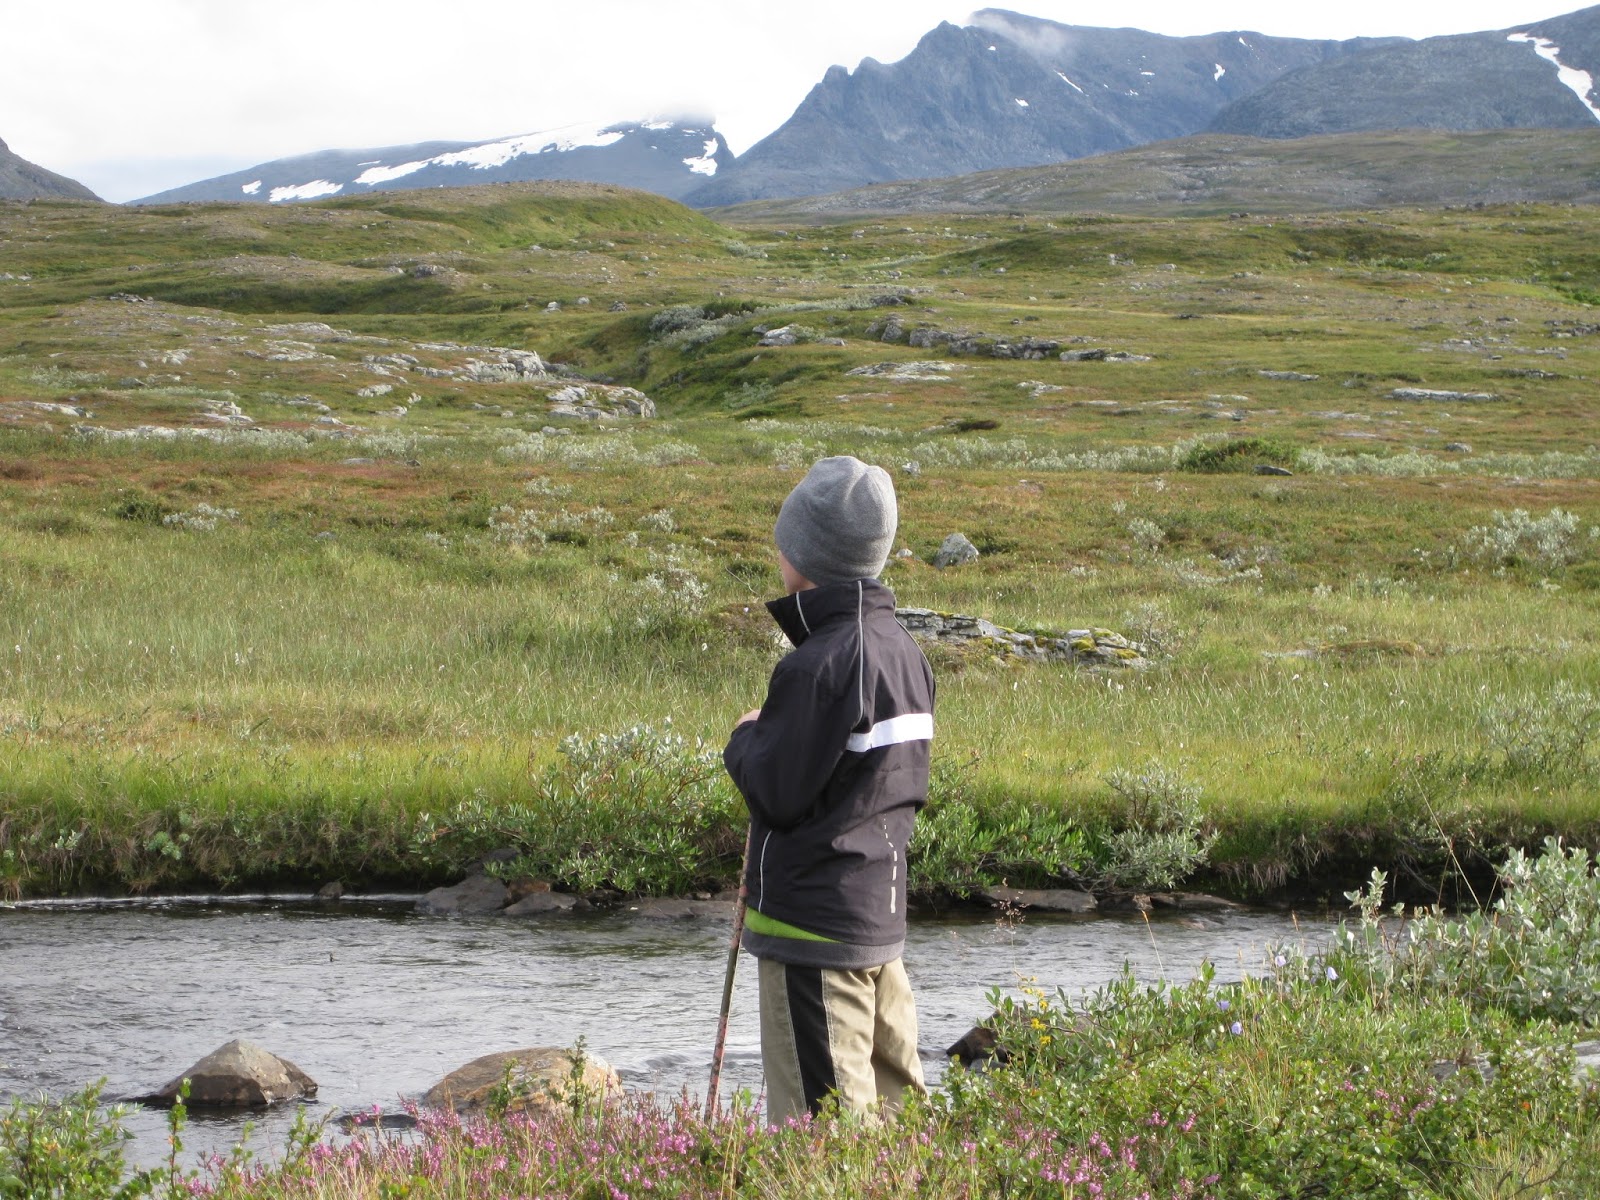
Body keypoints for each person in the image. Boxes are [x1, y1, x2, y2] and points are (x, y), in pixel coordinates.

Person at [723, 455, 935, 1123]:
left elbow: (777, 793)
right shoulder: (906, 652)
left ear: (804, 553)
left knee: (826, 1140)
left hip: (810, 932)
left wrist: (746, 737)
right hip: (877, 923)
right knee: (897, 1128)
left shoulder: (816, 665)